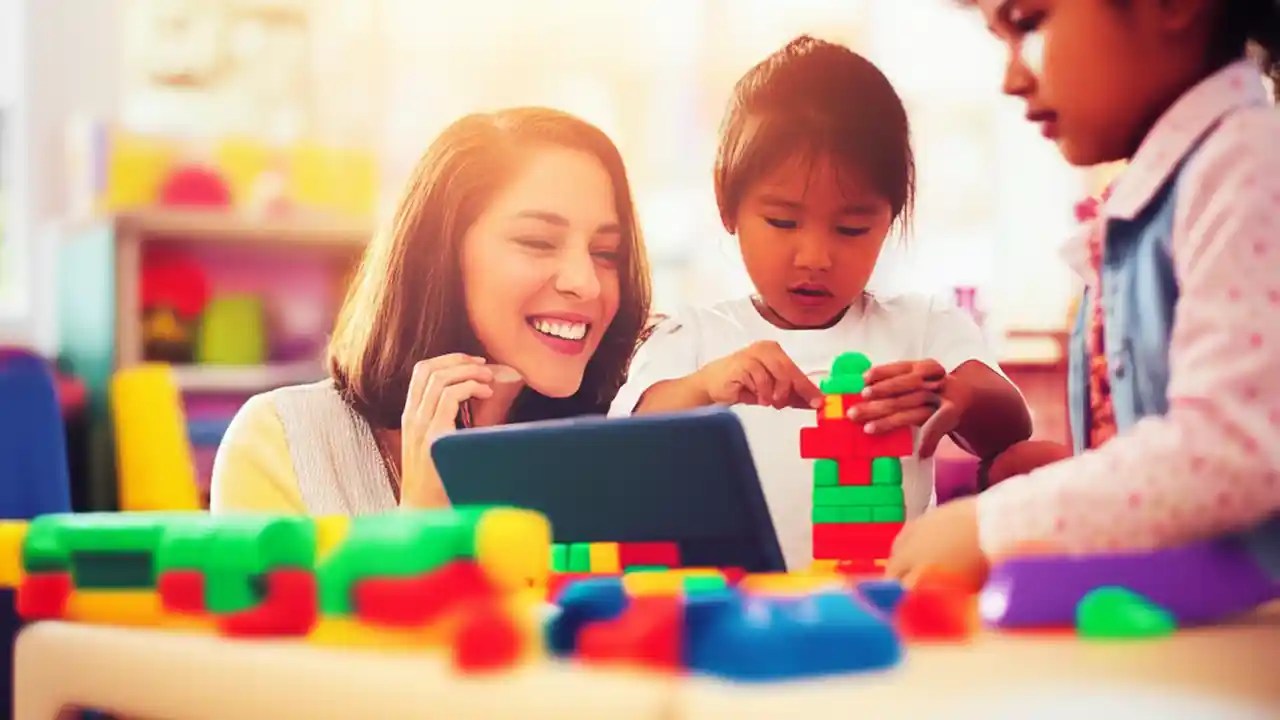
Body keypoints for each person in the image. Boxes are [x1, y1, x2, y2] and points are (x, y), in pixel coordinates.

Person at [888, 0, 1280, 582]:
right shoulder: (1164, 197)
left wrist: (997, 525)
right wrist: (1077, 476)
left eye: (1028, 23)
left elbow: (1232, 453)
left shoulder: (1247, 164)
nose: (1011, 78)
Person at [609, 36, 1031, 569]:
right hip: (733, 613)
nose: (814, 257)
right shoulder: (692, 338)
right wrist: (705, 386)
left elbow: (1011, 424)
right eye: (783, 222)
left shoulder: (923, 328)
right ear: (727, 204)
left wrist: (956, 395)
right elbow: (626, 443)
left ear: (890, 220)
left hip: (887, 615)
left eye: (852, 228)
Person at [211, 107, 652, 514]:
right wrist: (423, 520)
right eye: (537, 242)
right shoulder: (282, 442)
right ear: (440, 252)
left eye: (606, 253)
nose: (586, 282)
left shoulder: (618, 444)